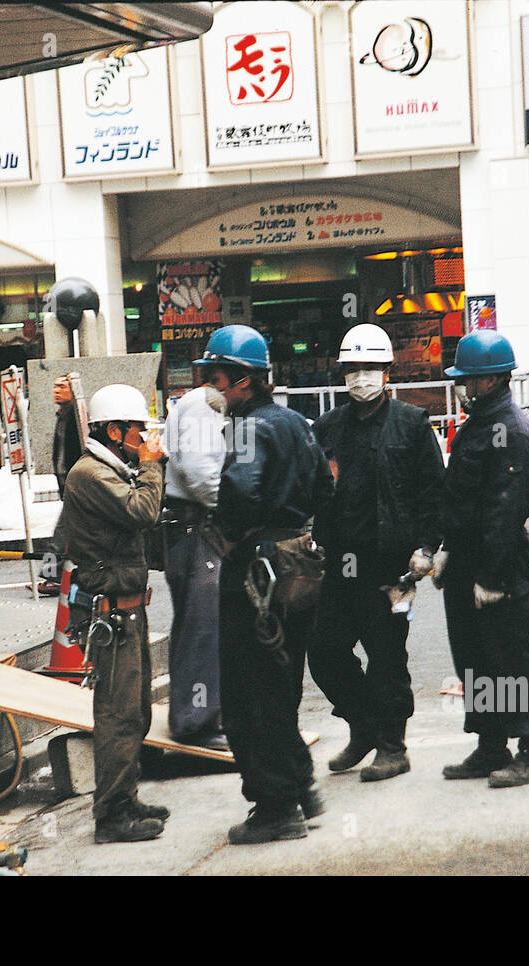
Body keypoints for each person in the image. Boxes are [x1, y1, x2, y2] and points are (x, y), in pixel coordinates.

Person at [197, 325, 334, 843]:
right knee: (281, 688)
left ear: (245, 381)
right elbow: (325, 486)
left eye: (217, 377)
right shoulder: (298, 423)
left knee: (249, 695)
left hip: (257, 574)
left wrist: (230, 535)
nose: (212, 386)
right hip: (297, 565)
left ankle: (276, 808)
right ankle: (300, 786)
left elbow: (239, 494)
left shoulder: (248, 428)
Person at [309, 323, 444, 783]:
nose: (360, 377)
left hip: (391, 569)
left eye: (369, 368)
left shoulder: (412, 423)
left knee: (387, 658)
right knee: (324, 651)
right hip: (339, 565)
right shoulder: (327, 428)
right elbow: (315, 493)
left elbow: (434, 493)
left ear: (387, 372)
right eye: (352, 369)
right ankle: (363, 726)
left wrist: (427, 548)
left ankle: (392, 746)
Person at [427, 330, 529, 788]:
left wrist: (493, 575)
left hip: (496, 562)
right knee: (475, 658)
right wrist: (445, 548)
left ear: (495, 379)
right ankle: (490, 745)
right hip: (465, 559)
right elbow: (458, 498)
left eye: (471, 381)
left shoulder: (512, 431)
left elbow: (507, 507)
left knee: (512, 657)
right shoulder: (479, 423)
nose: (464, 389)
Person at [54, 384, 168, 843]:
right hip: (113, 613)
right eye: (137, 430)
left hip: (129, 609)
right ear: (115, 429)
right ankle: (112, 817)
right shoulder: (89, 474)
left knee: (136, 711)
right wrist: (154, 468)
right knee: (118, 715)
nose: (143, 439)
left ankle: (125, 796)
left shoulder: (110, 467)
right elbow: (142, 510)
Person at [160, 381, 228, 748]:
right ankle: (194, 722)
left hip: (190, 524)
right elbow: (201, 473)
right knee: (202, 626)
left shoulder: (202, 404)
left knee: (199, 623)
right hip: (194, 524)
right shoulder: (204, 406)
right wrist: (233, 508)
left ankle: (205, 716)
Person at [51, 374, 83, 498]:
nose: (57, 391)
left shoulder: (78, 418)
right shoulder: (61, 416)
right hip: (64, 482)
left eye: (62, 387)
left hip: (77, 482)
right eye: (55, 387)